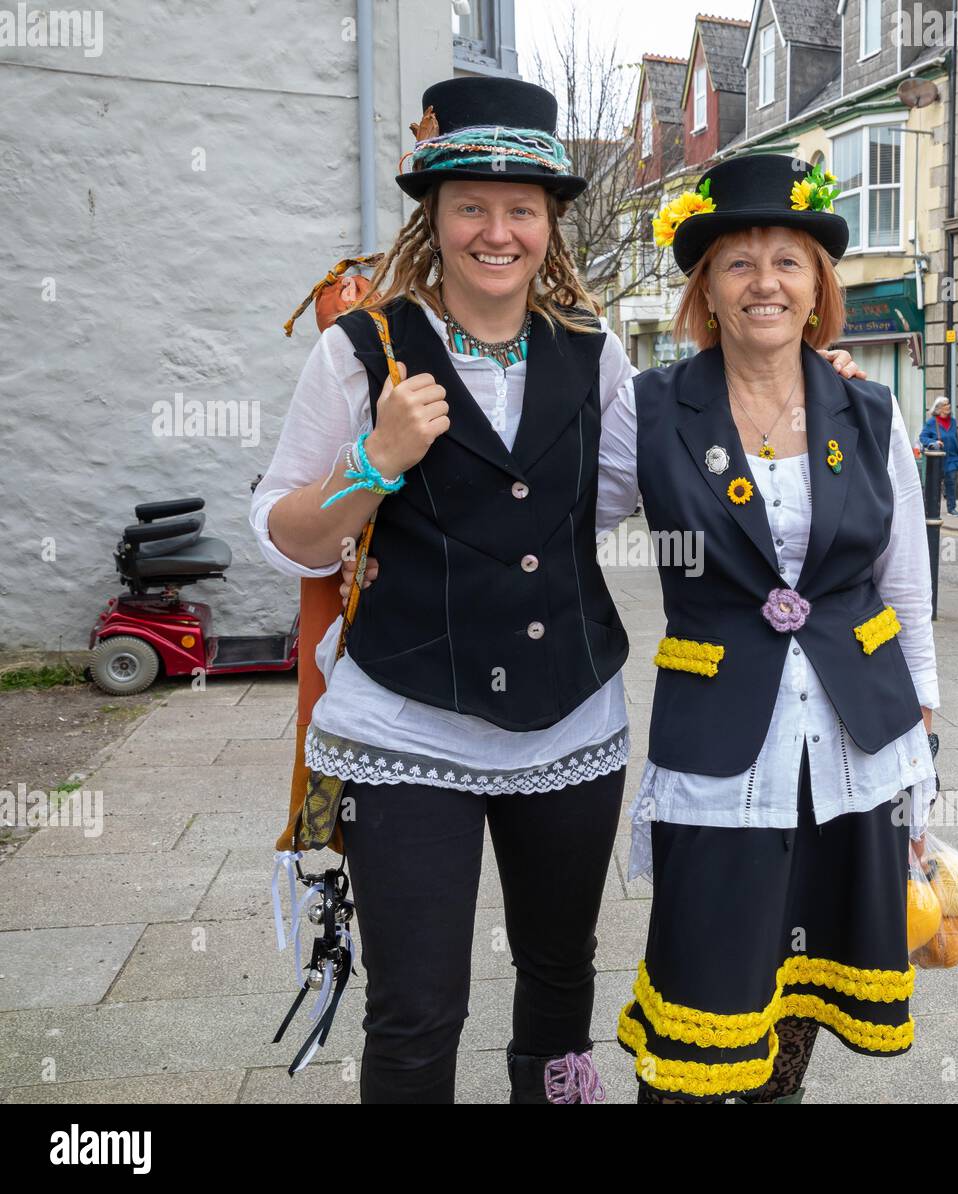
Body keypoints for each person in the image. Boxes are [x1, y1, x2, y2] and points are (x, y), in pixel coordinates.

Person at [250, 77, 649, 1104]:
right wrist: (375, 462)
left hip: (570, 719)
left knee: (562, 985)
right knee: (418, 1007)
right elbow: (289, 539)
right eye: (471, 203)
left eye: (522, 206)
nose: (497, 230)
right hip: (406, 726)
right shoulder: (360, 350)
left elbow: (605, 505)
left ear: (551, 221)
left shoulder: (596, 356)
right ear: (433, 214)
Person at [606, 154, 940, 1103]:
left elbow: (904, 585)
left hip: (856, 736)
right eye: (739, 262)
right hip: (722, 740)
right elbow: (552, 527)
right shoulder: (653, 406)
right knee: (705, 978)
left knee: (805, 993)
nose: (765, 282)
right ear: (705, 287)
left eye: (788, 261)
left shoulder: (870, 411)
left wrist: (927, 724)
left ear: (818, 284)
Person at [920, 396, 958, 516]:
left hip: (952, 457)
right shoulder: (932, 422)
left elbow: (956, 438)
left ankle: (951, 508)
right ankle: (931, 508)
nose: (948, 406)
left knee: (951, 482)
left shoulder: (953, 421)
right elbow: (923, 437)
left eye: (948, 404)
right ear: (939, 408)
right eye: (945, 405)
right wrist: (934, 443)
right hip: (938, 459)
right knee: (935, 484)